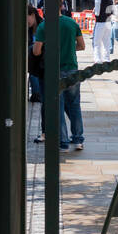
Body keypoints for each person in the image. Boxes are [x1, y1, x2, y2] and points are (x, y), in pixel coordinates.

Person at [32, 8, 86, 151]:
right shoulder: (72, 23)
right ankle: (78, 140)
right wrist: (68, 49)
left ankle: (63, 141)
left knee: (58, 107)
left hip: (54, 70)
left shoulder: (44, 26)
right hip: (72, 69)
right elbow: (82, 46)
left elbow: (37, 51)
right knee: (74, 106)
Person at [91, 0, 114, 64]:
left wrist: (94, 11)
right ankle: (107, 59)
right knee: (106, 41)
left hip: (100, 22)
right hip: (108, 22)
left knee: (96, 42)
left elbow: (97, 13)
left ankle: (98, 59)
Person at [27, 3, 43, 103]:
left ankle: (37, 94)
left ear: (32, 15)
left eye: (26, 18)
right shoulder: (28, 29)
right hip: (33, 60)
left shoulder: (42, 25)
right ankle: (36, 94)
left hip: (40, 59)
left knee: (33, 73)